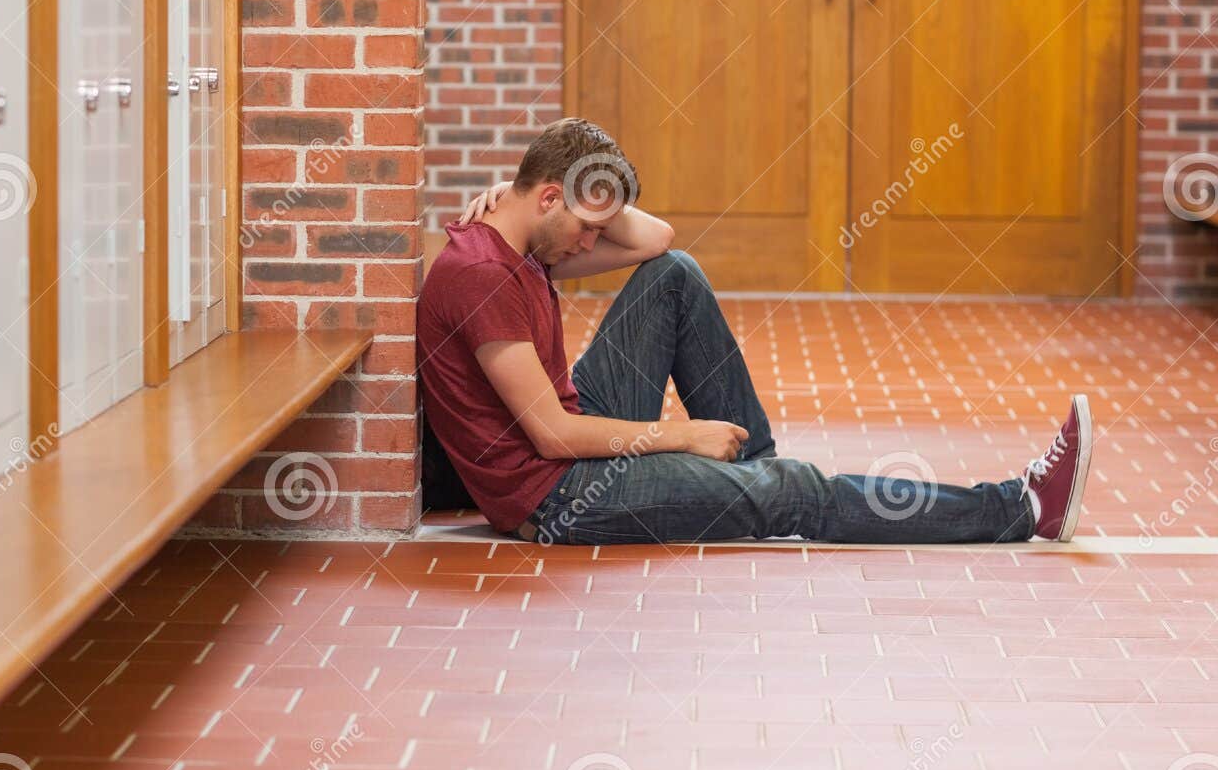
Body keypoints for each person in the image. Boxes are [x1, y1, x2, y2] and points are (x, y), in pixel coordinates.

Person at [414, 118, 1092, 546]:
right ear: (550, 198)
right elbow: (553, 437)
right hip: (560, 495)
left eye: (599, 226)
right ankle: (1019, 508)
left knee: (672, 274)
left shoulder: (524, 237)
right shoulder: (486, 274)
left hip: (573, 435)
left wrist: (528, 189)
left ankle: (754, 470)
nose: (595, 242)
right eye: (586, 226)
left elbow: (657, 239)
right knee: (796, 489)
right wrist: (686, 435)